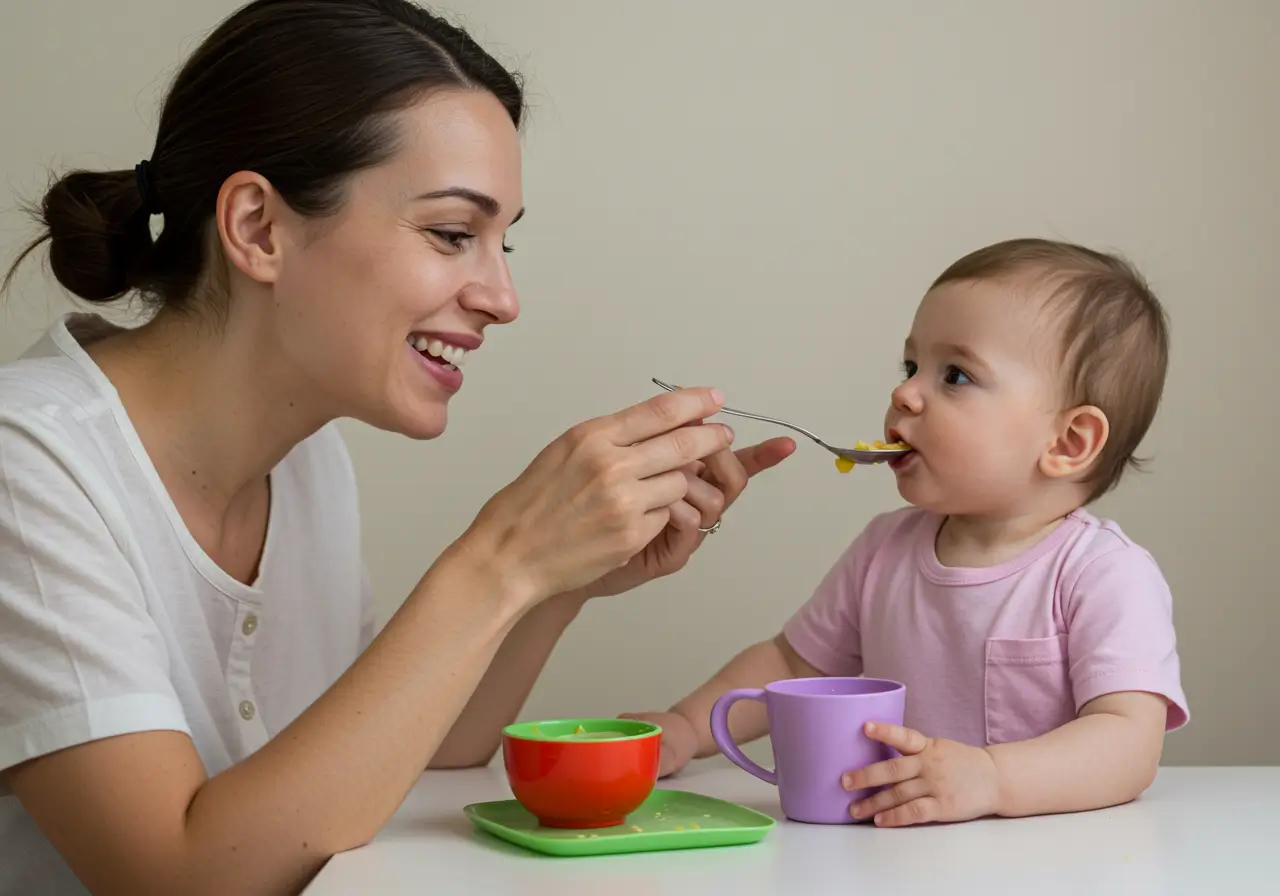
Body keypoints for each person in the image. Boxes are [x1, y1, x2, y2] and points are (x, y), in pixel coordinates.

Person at [0, 1, 796, 893]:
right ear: (259, 227)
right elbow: (179, 878)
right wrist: (500, 557)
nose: (502, 296)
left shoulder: (303, 461)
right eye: (454, 234)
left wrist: (557, 579)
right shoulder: (25, 466)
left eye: (504, 242)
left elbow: (419, 750)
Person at [624, 238, 1189, 827]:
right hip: (892, 852)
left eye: (956, 375)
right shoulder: (884, 550)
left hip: (1046, 863)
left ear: (1067, 443)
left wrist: (992, 778)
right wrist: (688, 726)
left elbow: (1129, 744)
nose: (904, 392)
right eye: (910, 366)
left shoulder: (1102, 573)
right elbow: (793, 666)